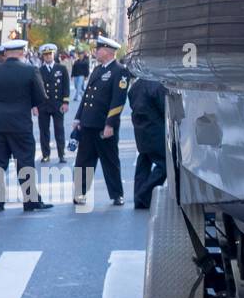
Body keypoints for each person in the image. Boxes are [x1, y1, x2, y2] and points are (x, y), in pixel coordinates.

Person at [0, 39, 50, 212]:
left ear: (6, 53)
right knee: (25, 162)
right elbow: (41, 97)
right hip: (20, 124)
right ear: (22, 52)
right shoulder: (30, 70)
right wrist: (26, 103)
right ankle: (30, 200)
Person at [72, 36, 129, 206]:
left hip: (104, 125)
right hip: (88, 123)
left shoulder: (119, 71)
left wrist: (110, 124)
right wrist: (78, 117)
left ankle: (117, 194)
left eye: (98, 49)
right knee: (83, 160)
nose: (96, 52)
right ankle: (80, 193)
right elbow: (87, 97)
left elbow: (118, 100)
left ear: (107, 51)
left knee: (110, 161)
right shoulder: (97, 70)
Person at [127, 76, 167, 209]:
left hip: (140, 130)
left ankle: (139, 198)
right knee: (164, 165)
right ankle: (144, 194)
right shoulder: (157, 85)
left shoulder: (135, 86)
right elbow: (165, 109)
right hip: (156, 130)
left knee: (143, 162)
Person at [36, 43, 69, 162]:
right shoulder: (39, 70)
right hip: (43, 105)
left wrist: (66, 102)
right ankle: (46, 155)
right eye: (45, 55)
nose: (48, 56)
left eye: (50, 54)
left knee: (59, 130)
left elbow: (66, 86)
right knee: (44, 131)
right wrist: (35, 105)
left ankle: (61, 154)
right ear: (42, 56)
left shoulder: (61, 69)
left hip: (57, 104)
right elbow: (36, 89)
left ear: (54, 54)